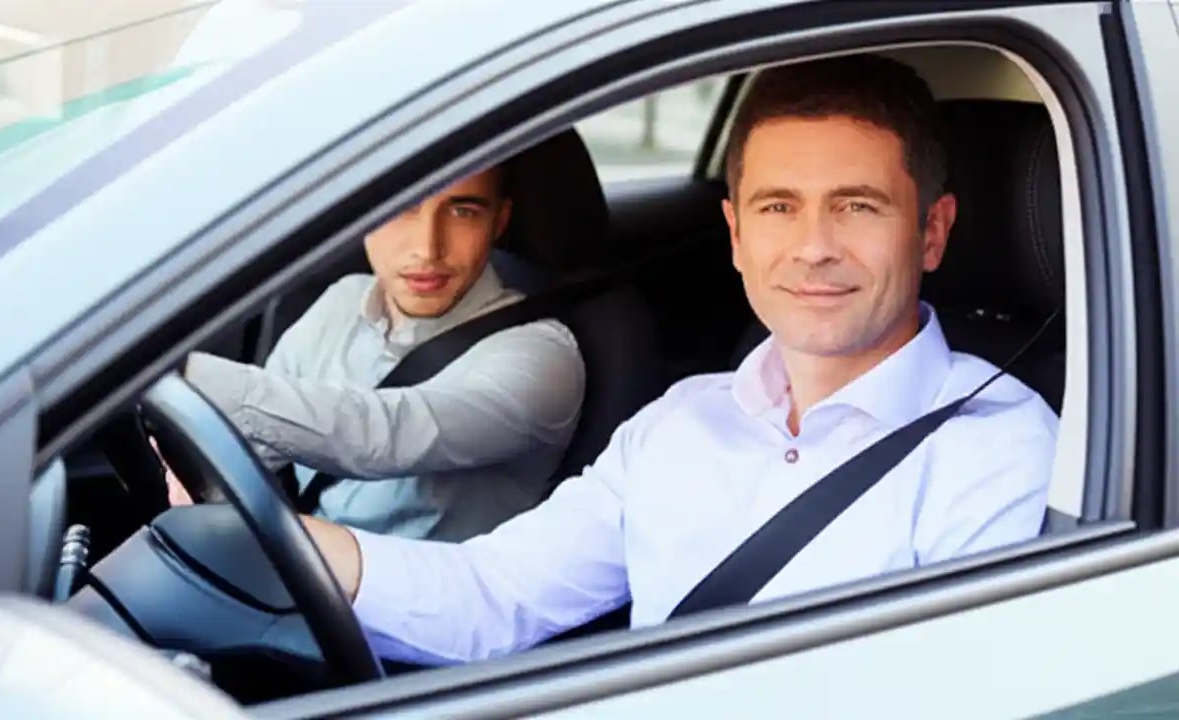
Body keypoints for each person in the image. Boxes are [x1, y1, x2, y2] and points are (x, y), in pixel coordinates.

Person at [298, 54, 1060, 666]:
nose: (814, 246)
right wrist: (278, 540)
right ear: (734, 234)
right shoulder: (678, 420)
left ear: (932, 232)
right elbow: (491, 598)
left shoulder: (998, 452)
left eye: (857, 205)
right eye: (778, 206)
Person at [177, 163, 586, 542]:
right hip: (298, 576)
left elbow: (384, 434)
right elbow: (253, 451)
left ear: (499, 222)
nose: (428, 248)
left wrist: (182, 375)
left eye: (462, 212)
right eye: (400, 207)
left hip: (411, 614)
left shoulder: (542, 356)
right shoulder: (340, 301)